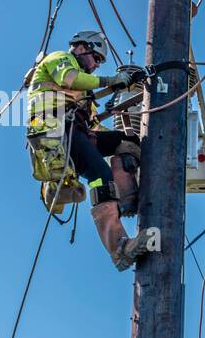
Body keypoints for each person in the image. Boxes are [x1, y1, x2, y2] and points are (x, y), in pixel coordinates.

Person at [24, 30, 150, 271]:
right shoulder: (60, 59)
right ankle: (120, 248)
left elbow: (93, 123)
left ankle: (127, 200)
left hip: (77, 131)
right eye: (96, 58)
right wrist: (109, 81)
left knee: (126, 141)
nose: (96, 66)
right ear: (81, 48)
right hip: (55, 130)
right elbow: (70, 78)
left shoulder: (84, 93)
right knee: (100, 176)